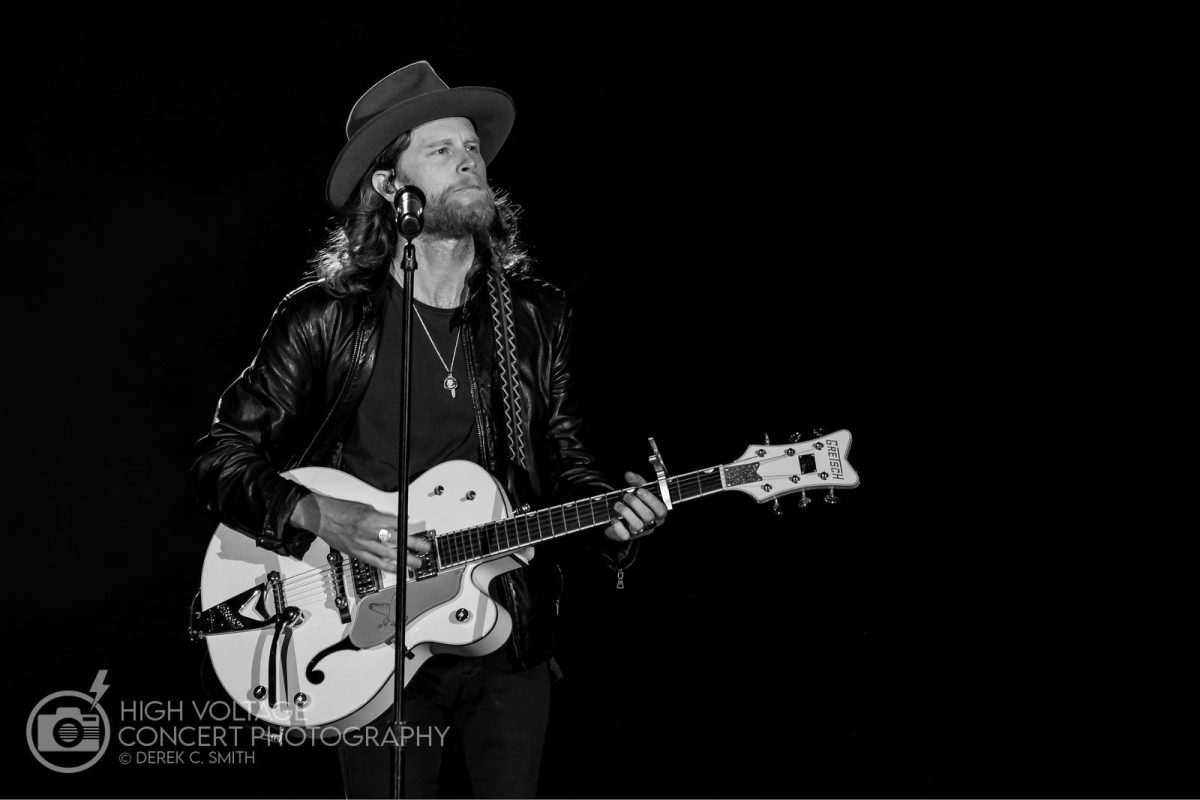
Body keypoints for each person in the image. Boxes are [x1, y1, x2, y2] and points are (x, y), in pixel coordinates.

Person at [190, 60, 668, 798]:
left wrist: (614, 516)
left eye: (472, 148)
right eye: (441, 150)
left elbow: (566, 461)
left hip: (506, 631)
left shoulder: (534, 315)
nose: (470, 161)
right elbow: (221, 457)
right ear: (391, 187)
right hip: (366, 638)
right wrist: (320, 515)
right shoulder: (325, 317)